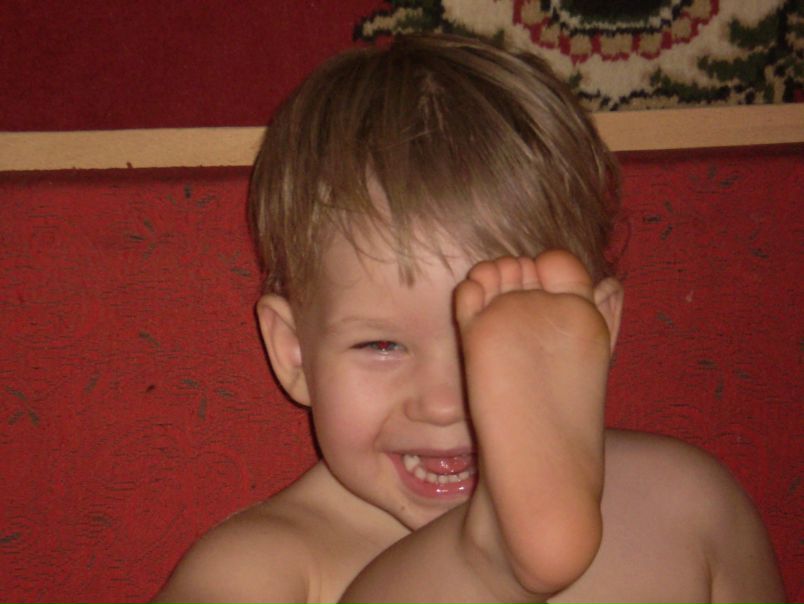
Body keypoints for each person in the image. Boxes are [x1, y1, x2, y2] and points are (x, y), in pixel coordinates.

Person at [153, 34, 784, 603]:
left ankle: (497, 555)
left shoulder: (687, 506)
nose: (442, 404)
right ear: (294, 351)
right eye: (382, 345)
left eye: (480, 347)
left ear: (597, 328)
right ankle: (493, 558)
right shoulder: (260, 571)